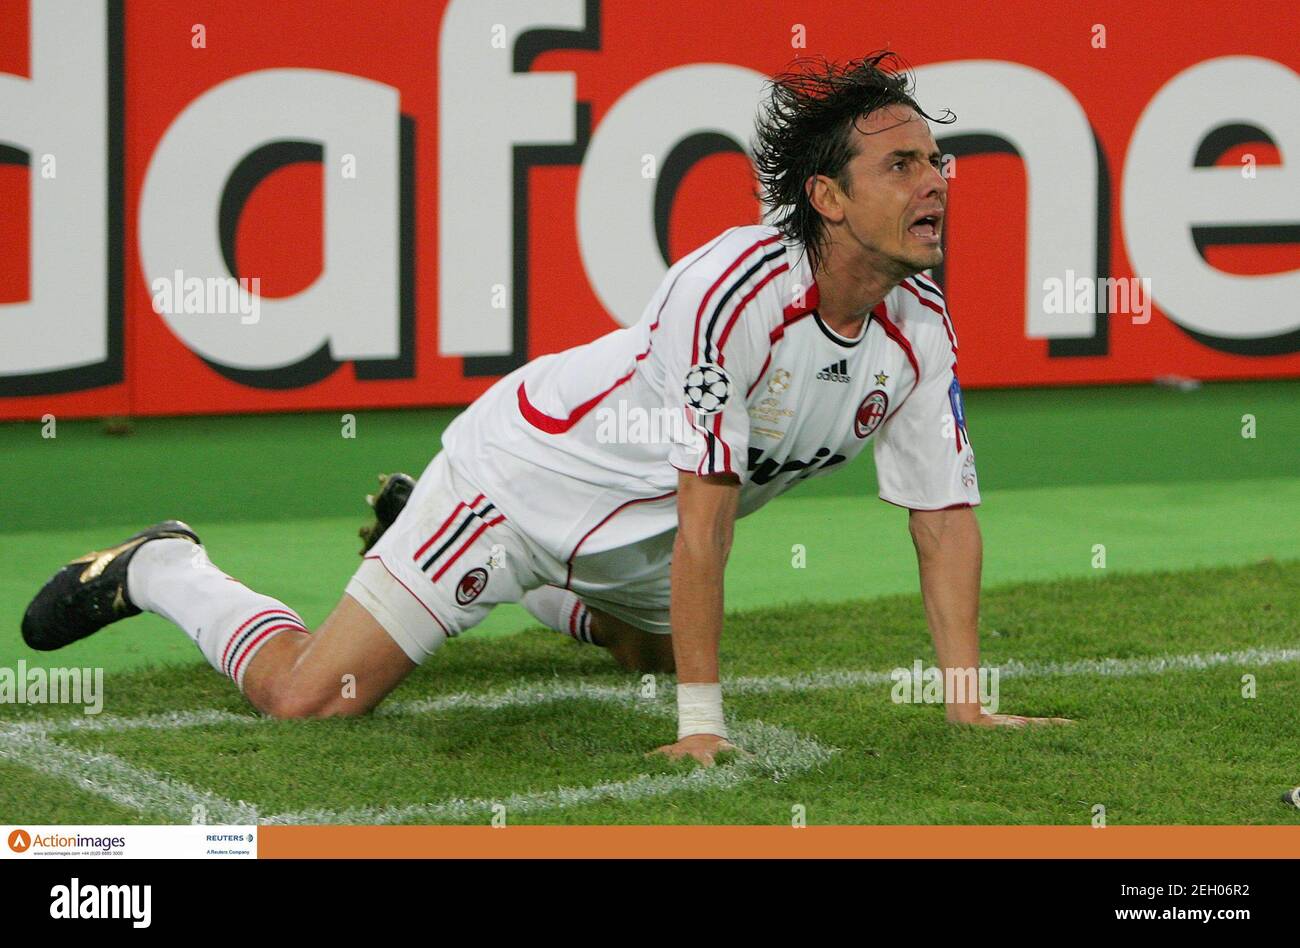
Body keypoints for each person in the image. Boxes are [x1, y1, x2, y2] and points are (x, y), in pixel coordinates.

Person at [21, 53, 1068, 768]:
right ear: (829, 198)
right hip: (518, 484)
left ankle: (490, 570)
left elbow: (941, 518)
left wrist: (964, 698)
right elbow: (706, 520)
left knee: (649, 651)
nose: (937, 182)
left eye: (938, 160)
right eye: (905, 164)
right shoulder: (730, 296)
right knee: (313, 698)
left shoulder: (916, 327)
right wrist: (700, 725)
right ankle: (167, 565)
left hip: (634, 541)